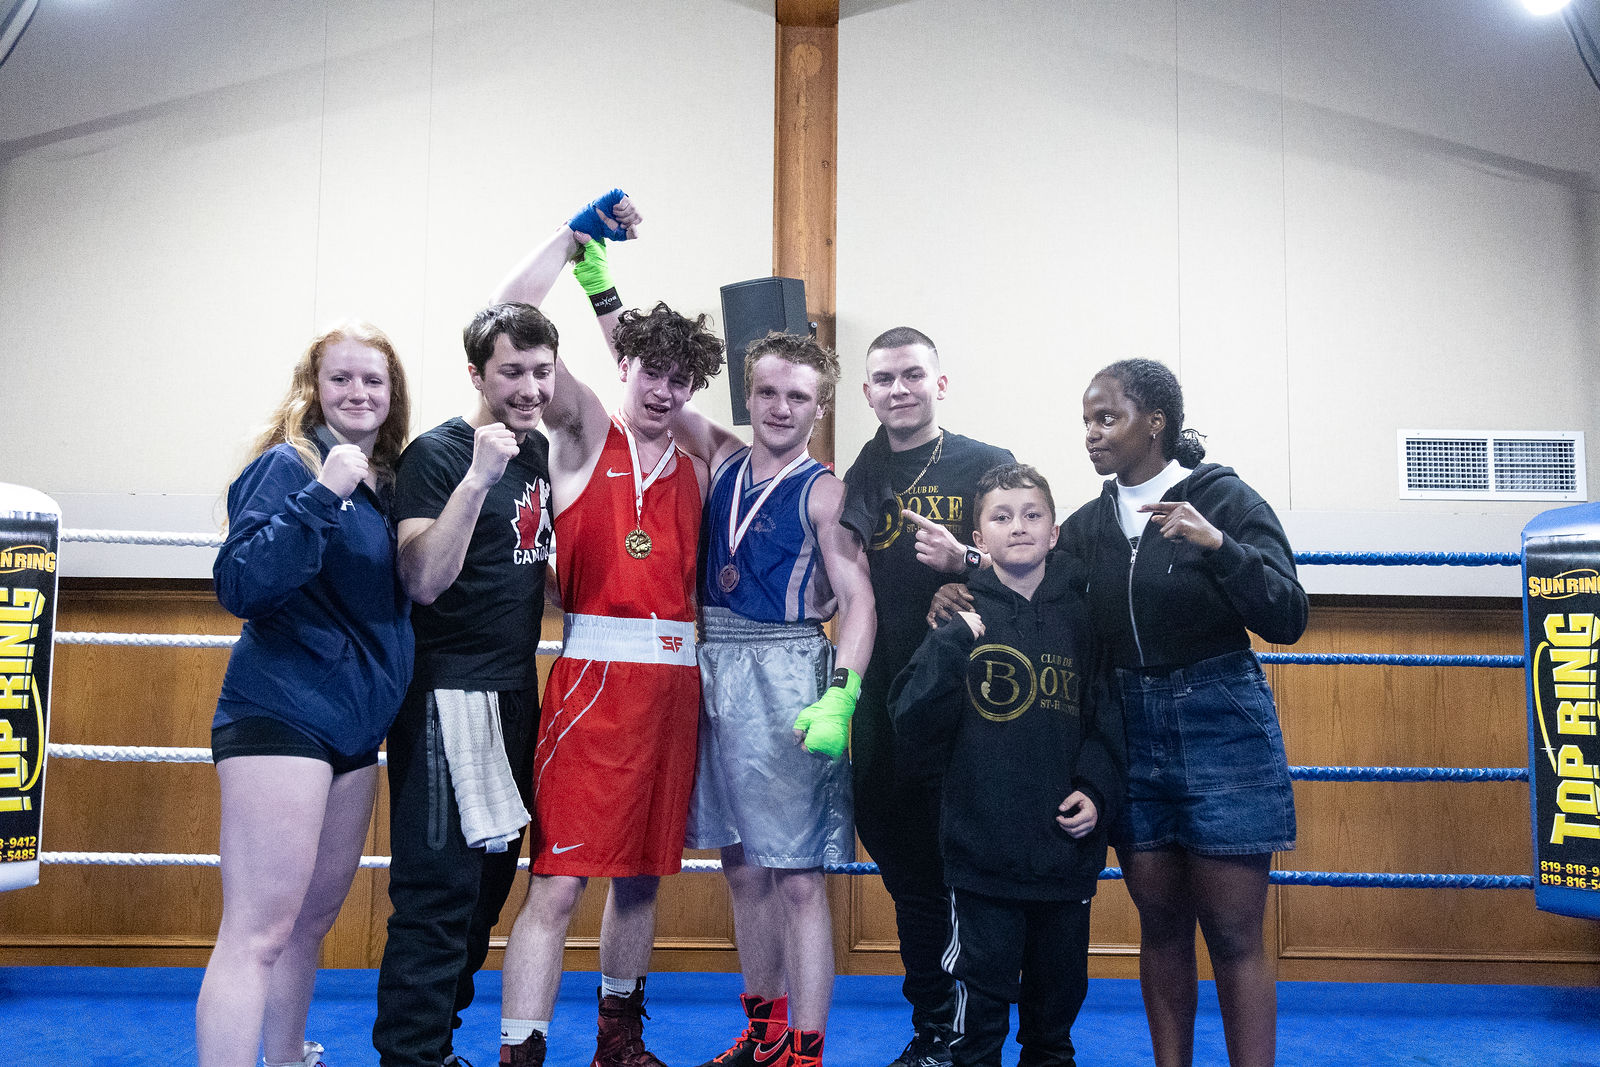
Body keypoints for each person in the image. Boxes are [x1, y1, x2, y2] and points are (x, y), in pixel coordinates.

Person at [495, 192, 725, 1067]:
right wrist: (573, 240)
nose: (663, 390)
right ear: (622, 364)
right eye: (650, 372)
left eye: (679, 378)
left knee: (640, 881)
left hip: (675, 686)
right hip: (593, 678)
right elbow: (507, 324)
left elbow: (779, 461)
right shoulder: (588, 427)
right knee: (558, 881)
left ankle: (618, 1044)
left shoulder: (703, 452)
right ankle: (523, 1052)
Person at [1058, 358, 1306, 1067]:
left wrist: (1221, 546)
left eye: (1108, 418)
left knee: (1233, 931)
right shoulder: (1085, 527)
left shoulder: (1224, 499)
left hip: (1219, 716)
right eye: (1086, 420)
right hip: (1129, 724)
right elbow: (1043, 605)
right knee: (1161, 925)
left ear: (1155, 422)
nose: (1092, 434)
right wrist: (962, 585)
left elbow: (1288, 615)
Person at [197, 322, 414, 1067]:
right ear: (313, 387)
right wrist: (322, 495)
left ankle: (286, 1056)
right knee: (257, 927)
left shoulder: (385, 484)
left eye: (373, 381)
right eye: (342, 378)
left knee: (309, 919)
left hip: (354, 731)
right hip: (280, 716)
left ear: (393, 396)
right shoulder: (290, 466)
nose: (358, 393)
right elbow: (242, 584)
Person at [666, 330, 875, 1067]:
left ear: (818, 409)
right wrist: (601, 287)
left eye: (797, 396)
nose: (780, 407)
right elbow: (650, 379)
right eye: (768, 392)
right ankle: (763, 1029)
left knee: (794, 876)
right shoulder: (722, 456)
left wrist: (839, 698)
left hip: (787, 669)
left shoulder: (825, 490)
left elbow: (859, 602)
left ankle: (806, 1050)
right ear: (747, 394)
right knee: (742, 868)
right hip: (712, 660)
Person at [372, 290, 566, 1064]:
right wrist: (478, 479)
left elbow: (531, 566)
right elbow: (422, 577)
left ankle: (437, 1044)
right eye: (511, 371)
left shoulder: (540, 452)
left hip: (517, 692)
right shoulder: (440, 454)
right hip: (446, 694)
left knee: (486, 892)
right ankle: (410, 1056)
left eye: (541, 372)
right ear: (476, 374)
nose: (529, 388)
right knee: (438, 891)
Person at [890, 462, 1122, 1067]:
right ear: (978, 538)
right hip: (981, 856)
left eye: (1032, 515)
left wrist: (1095, 791)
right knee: (978, 1022)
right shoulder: (958, 616)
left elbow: (1105, 719)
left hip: (1062, 856)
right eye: (1001, 516)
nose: (1017, 527)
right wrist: (952, 642)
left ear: (1052, 533)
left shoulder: (1083, 617)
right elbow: (910, 717)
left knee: (1054, 1018)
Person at [838, 327, 1013, 1067]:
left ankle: (976, 1039)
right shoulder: (859, 475)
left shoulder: (989, 465)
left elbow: (1046, 567)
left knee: (968, 876)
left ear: (940, 384)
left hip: (968, 707)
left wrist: (967, 561)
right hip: (882, 703)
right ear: (868, 391)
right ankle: (935, 1030)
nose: (899, 388)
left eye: (914, 374)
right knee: (908, 875)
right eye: (884, 378)